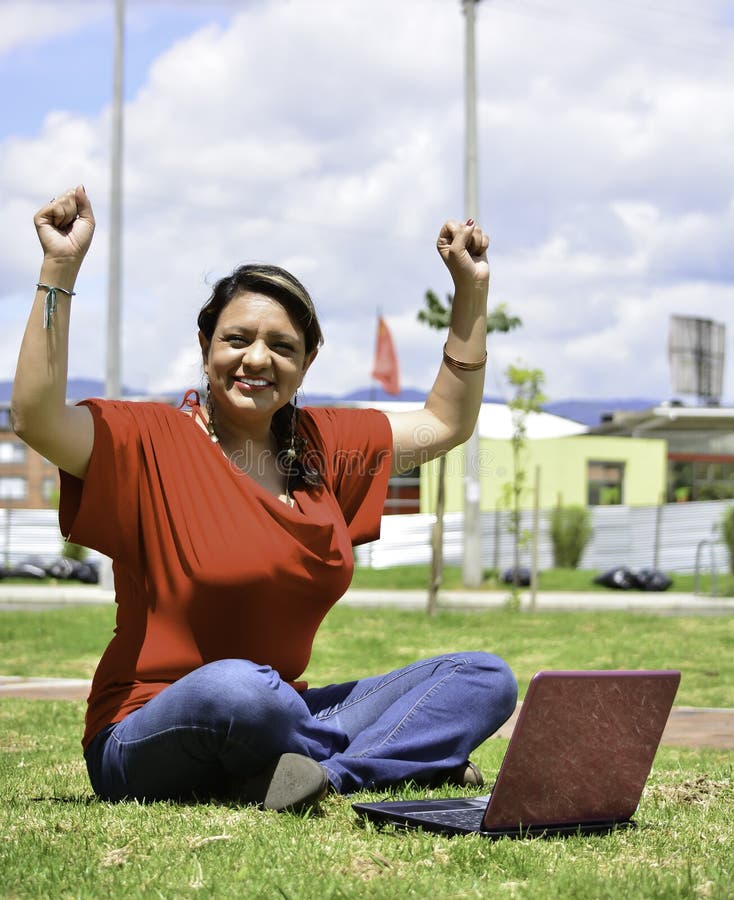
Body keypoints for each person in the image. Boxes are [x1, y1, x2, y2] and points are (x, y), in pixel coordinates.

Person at [11, 185, 517, 812]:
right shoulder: (149, 440)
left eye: (282, 347)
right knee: (241, 690)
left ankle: (323, 776)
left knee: (482, 677)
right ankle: (389, 757)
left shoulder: (323, 445)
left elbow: (446, 423)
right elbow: (35, 418)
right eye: (237, 340)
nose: (257, 359)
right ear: (205, 349)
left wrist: (471, 290)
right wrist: (59, 268)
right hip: (148, 728)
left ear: (305, 364)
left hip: (284, 714)